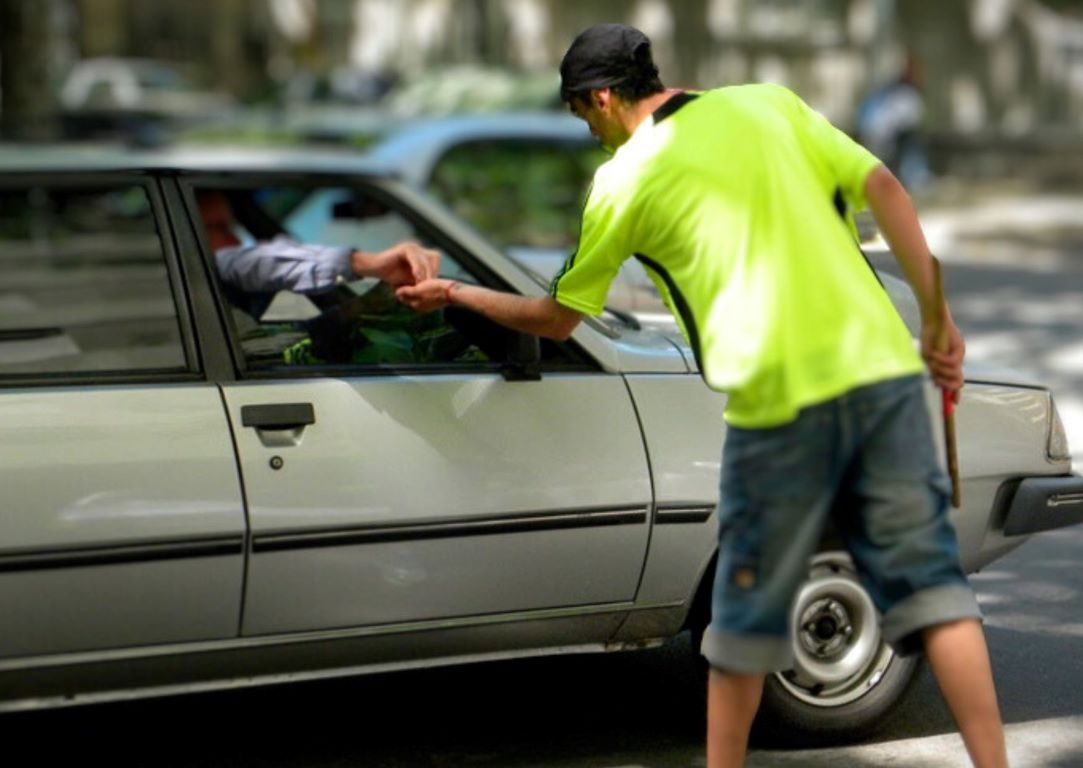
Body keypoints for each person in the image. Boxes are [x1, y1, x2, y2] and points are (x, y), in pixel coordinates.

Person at [396, 23, 1007, 768]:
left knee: (744, 629)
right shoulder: (766, 104)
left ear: (599, 98)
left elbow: (558, 319)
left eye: (580, 114)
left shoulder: (622, 184)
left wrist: (456, 292)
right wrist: (938, 319)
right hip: (882, 385)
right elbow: (884, 188)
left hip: (777, 414)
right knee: (935, 600)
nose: (586, 132)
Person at [195, 189, 440, 317]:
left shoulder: (218, 295)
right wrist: (367, 263)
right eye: (217, 227)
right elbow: (255, 261)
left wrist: (359, 309)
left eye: (231, 227)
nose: (235, 239)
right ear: (187, 233)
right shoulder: (225, 263)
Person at [857, 52, 932, 189]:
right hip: (888, 135)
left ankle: (914, 177)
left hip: (890, 134)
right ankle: (914, 177)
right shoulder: (902, 95)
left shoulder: (901, 94)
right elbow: (902, 120)